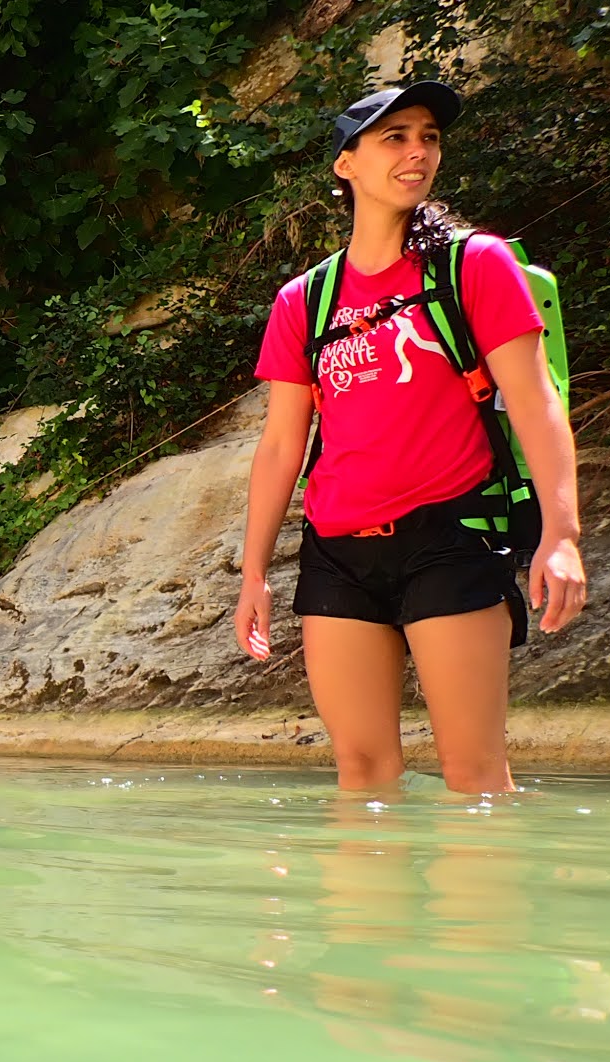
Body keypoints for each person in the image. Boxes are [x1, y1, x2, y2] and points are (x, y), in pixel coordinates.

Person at [234, 81, 587, 795]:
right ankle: (367, 913)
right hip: (337, 552)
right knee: (361, 774)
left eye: (428, 135)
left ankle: (482, 909)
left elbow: (533, 400)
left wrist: (563, 532)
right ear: (346, 164)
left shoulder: (474, 265)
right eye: (395, 136)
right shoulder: (304, 300)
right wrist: (252, 572)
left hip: (450, 535)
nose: (418, 150)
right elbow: (279, 446)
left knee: (474, 772)